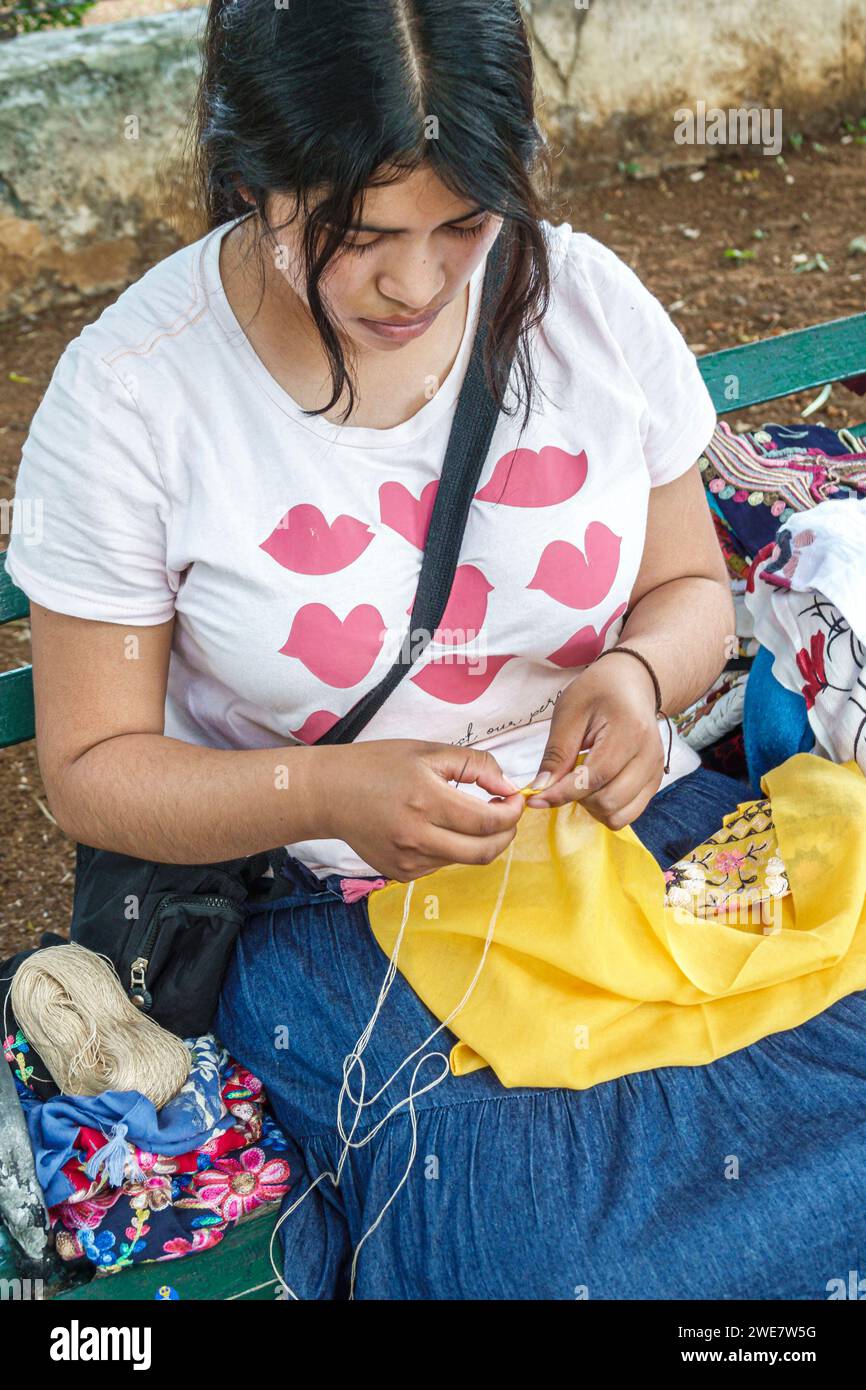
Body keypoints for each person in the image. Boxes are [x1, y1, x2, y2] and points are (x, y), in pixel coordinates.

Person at [7, 0, 864, 1300]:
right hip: (329, 890)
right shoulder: (134, 394)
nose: (415, 283)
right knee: (560, 1255)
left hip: (626, 831)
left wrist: (635, 680)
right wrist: (331, 789)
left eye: (462, 226)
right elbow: (87, 767)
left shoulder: (576, 300)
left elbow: (689, 585)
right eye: (355, 238)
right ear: (252, 176)